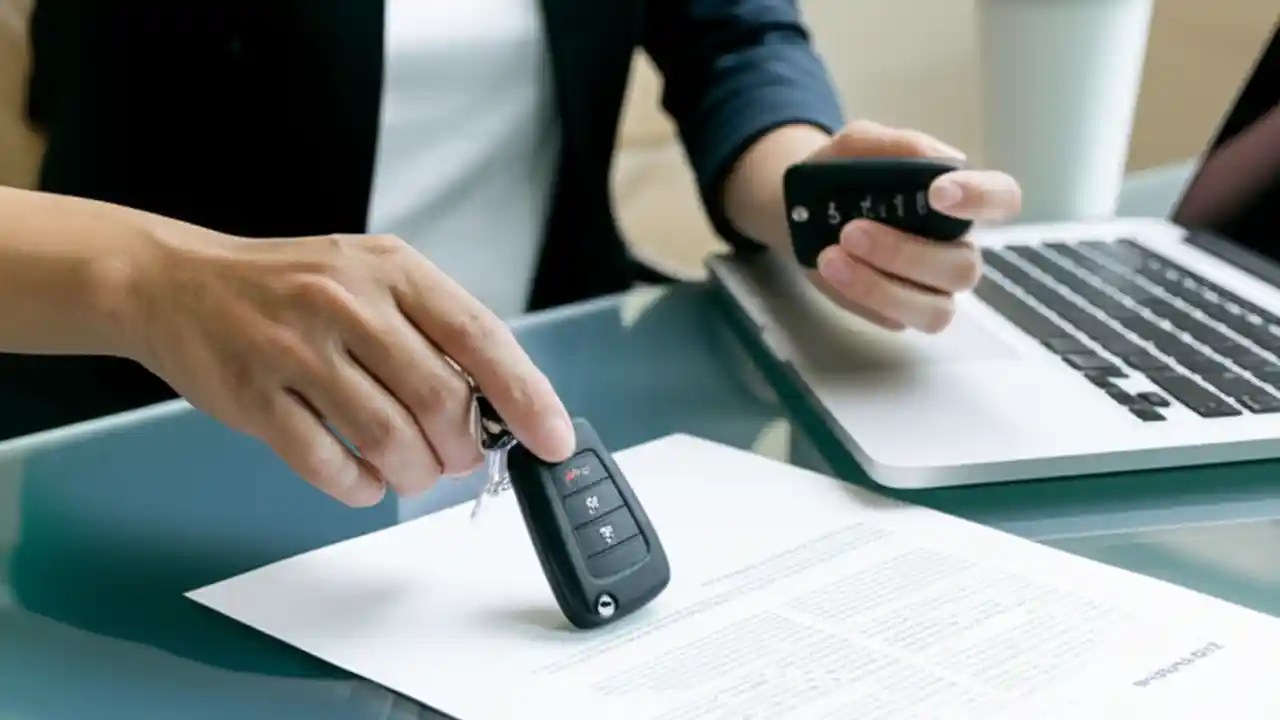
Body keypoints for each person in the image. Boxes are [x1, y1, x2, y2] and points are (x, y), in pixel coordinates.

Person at [5, 1, 1021, 505]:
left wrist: (805, 191)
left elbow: (732, 41)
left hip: (554, 400)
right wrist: (148, 276)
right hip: (149, 426)